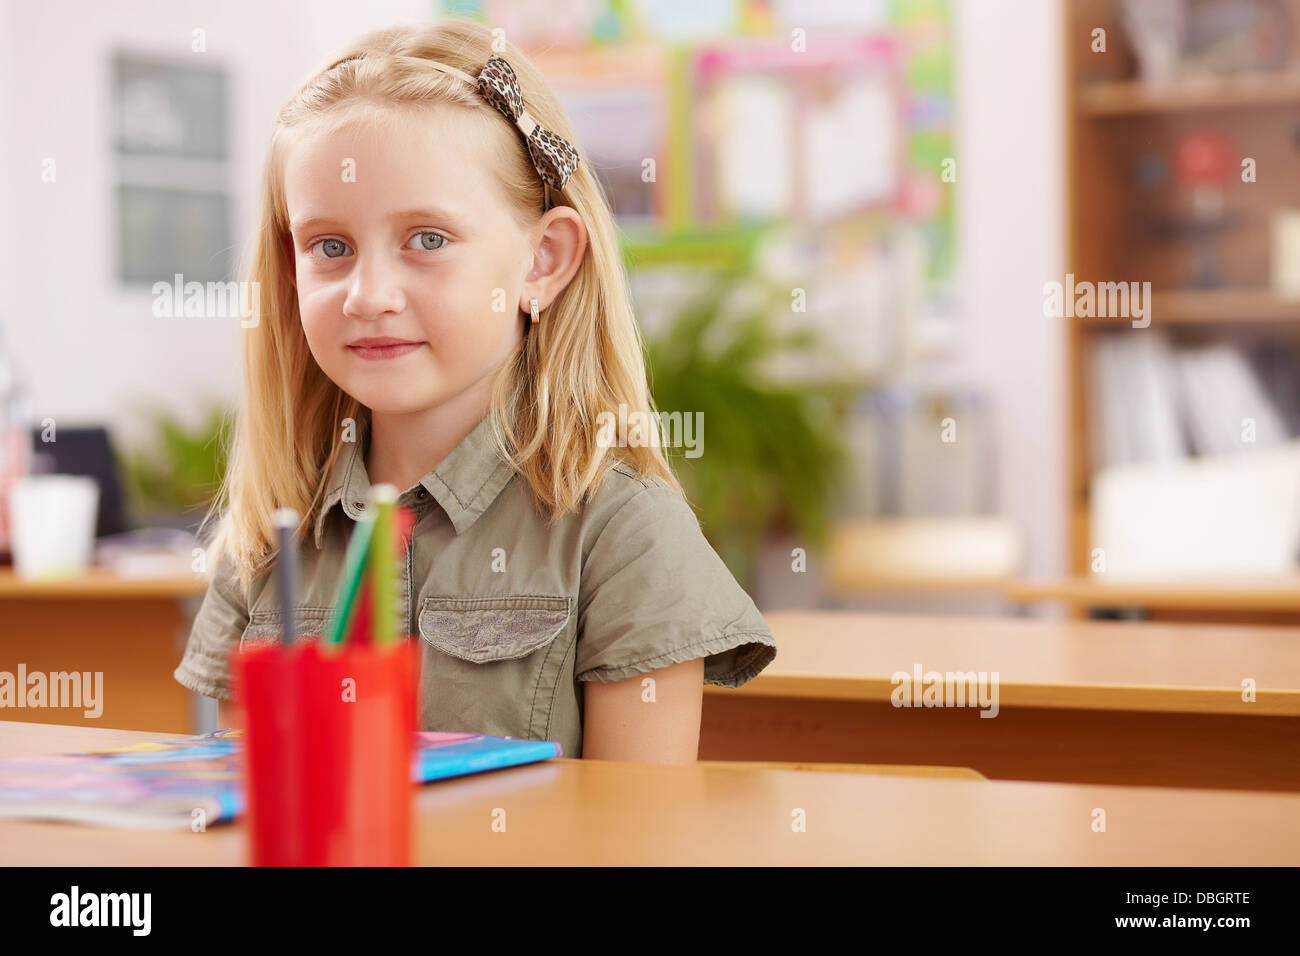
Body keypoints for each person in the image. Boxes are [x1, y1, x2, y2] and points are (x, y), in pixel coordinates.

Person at [174, 18, 775, 763]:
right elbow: (253, 812)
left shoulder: (623, 535)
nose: (369, 294)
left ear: (543, 261)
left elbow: (637, 836)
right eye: (330, 246)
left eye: (427, 239)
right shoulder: (268, 539)